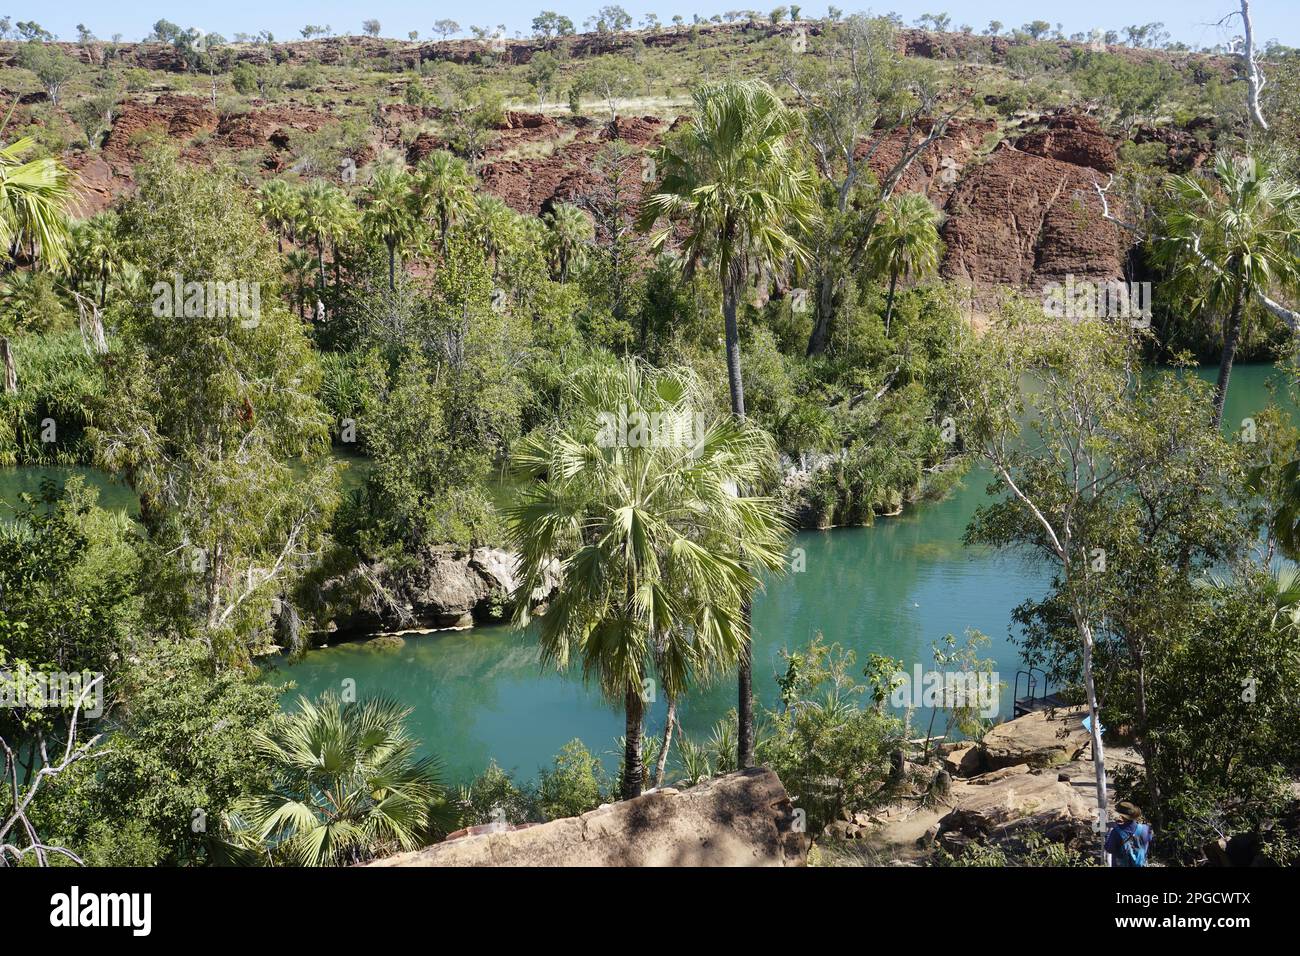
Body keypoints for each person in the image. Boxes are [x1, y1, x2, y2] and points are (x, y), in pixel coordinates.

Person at [1105, 801, 1153, 867]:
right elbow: (1149, 843)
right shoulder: (1146, 829)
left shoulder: (1115, 832)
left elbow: (1109, 849)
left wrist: (1108, 833)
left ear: (1121, 815)